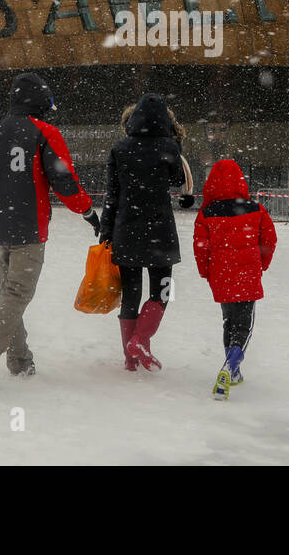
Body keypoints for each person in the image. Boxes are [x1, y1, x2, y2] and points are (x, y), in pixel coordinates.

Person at [0, 72, 100, 392]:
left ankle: (20, 360)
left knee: (9, 295)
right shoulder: (45, 133)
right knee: (17, 295)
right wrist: (87, 211)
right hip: (29, 231)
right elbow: (65, 182)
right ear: (41, 102)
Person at [99, 93, 191, 372]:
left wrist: (105, 230)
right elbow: (178, 180)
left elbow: (111, 195)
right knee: (162, 291)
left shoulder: (120, 149)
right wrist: (174, 145)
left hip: (126, 230)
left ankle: (131, 358)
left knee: (131, 294)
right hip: (160, 231)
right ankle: (140, 340)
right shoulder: (168, 148)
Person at [192, 159, 277, 400]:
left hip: (221, 275)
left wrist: (205, 271)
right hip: (247, 274)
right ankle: (230, 367)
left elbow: (201, 247)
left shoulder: (207, 213)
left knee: (229, 321)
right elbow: (269, 240)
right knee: (244, 326)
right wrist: (262, 264)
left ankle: (234, 370)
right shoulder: (255, 209)